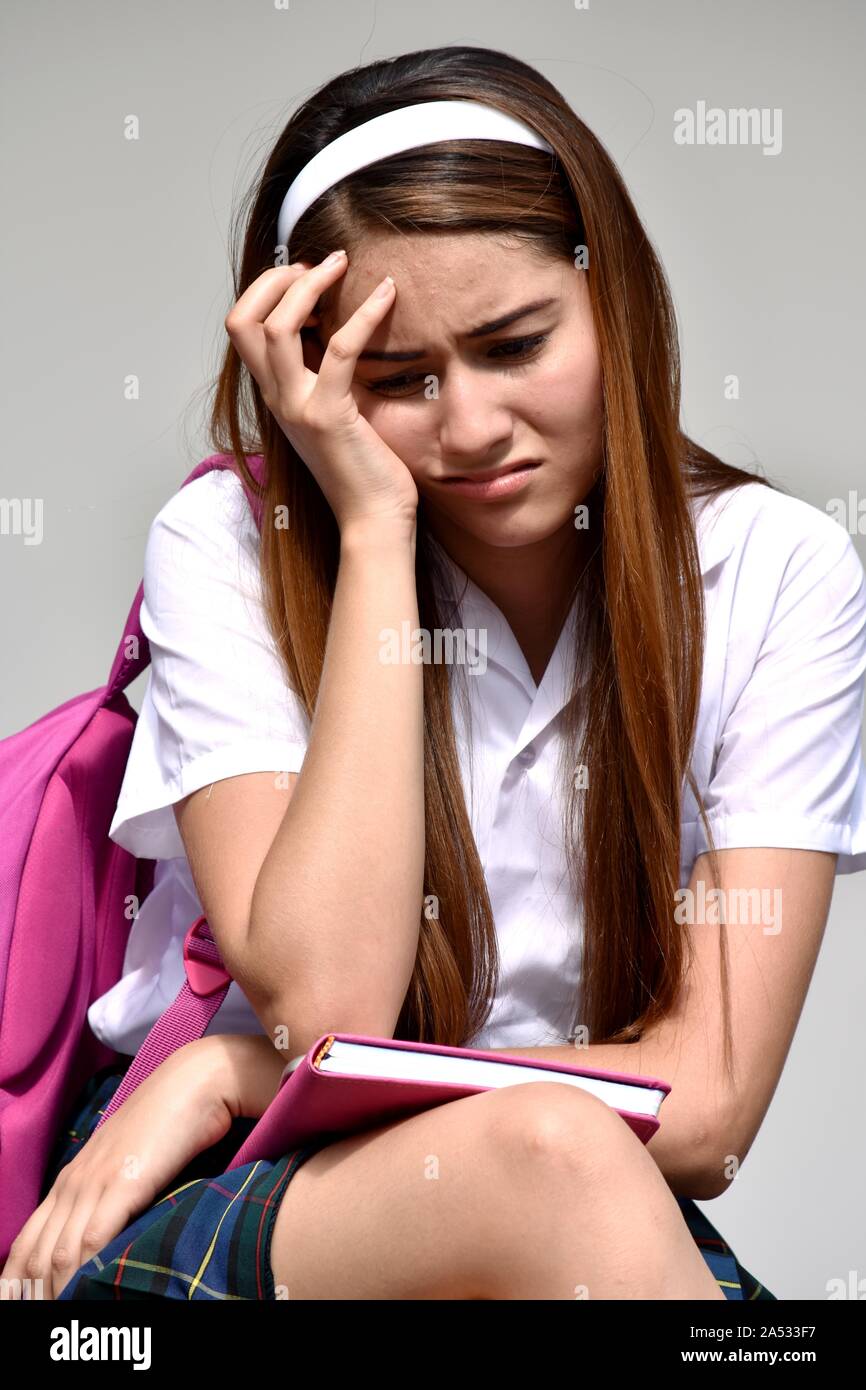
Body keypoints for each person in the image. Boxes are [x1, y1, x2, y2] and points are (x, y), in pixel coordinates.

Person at [5, 44, 865, 1302]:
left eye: (513, 344)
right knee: (559, 1153)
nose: (467, 429)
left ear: (611, 299)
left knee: (567, 1163)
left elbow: (711, 1110)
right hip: (241, 1179)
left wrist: (235, 1065)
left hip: (531, 1177)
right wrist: (366, 527)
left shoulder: (776, 571)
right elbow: (329, 1005)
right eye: (399, 379)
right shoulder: (237, 546)